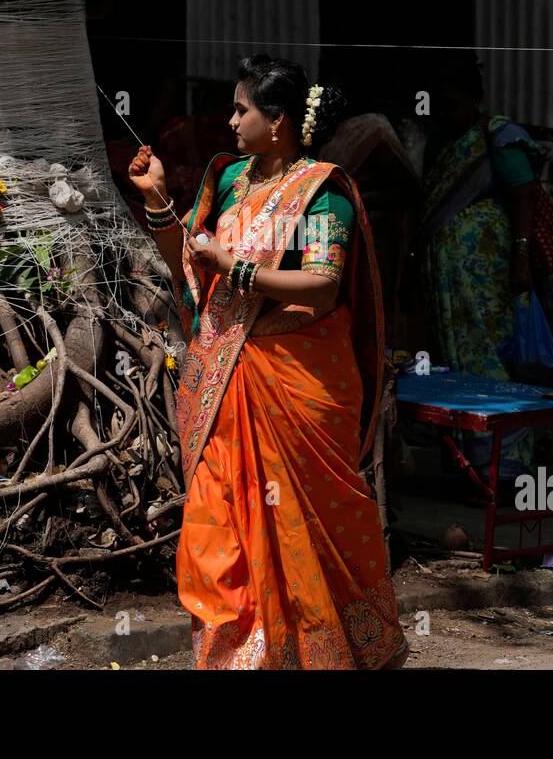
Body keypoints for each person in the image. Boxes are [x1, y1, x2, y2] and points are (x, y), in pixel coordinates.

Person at [127, 54, 408, 669]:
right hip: (226, 376)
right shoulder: (228, 179)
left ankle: (322, 649)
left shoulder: (323, 190)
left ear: (277, 121)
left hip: (298, 378)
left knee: (303, 520)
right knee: (217, 521)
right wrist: (157, 205)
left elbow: (324, 285)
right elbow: (191, 268)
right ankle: (237, 654)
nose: (229, 121)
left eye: (240, 109)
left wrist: (240, 269)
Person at [417, 56, 549, 478]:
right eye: (439, 104)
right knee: (453, 363)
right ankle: (467, 465)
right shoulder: (440, 142)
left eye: (454, 103)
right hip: (448, 283)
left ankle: (506, 466)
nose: (446, 113)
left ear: (475, 100)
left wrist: (522, 257)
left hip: (486, 277)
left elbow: (523, 196)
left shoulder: (498, 138)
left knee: (490, 361)